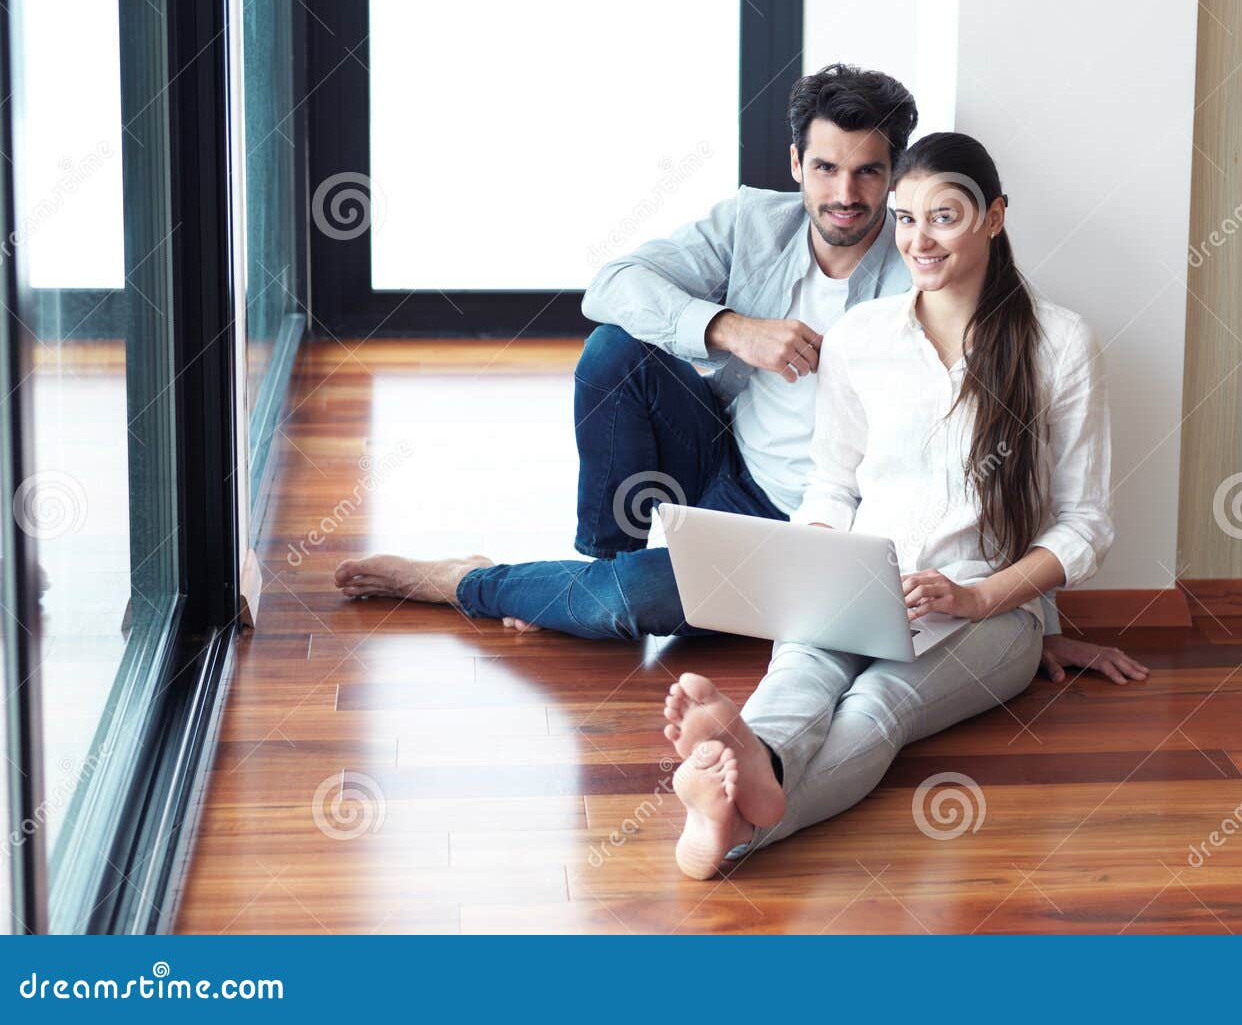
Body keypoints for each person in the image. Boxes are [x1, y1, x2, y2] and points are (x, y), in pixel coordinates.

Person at [334, 66, 1146, 685]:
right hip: (728, 467)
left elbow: (1005, 448)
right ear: (796, 163)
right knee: (616, 351)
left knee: (627, 607)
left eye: (869, 173)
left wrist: (1029, 620)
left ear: (897, 178)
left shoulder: (930, 272)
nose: (846, 194)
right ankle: (597, 563)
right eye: (826, 168)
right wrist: (728, 328)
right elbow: (609, 284)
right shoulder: (752, 222)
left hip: (822, 533)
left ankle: (471, 583)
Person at [658, 131, 1137, 878]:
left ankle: (739, 815)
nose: (920, 239)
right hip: (858, 585)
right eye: (905, 219)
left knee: (877, 707)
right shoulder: (861, 336)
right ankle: (749, 773)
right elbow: (831, 485)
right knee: (800, 677)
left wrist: (980, 598)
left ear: (994, 216)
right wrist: (813, 562)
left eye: (943, 216)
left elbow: (1086, 523)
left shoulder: (1061, 344)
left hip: (991, 618)